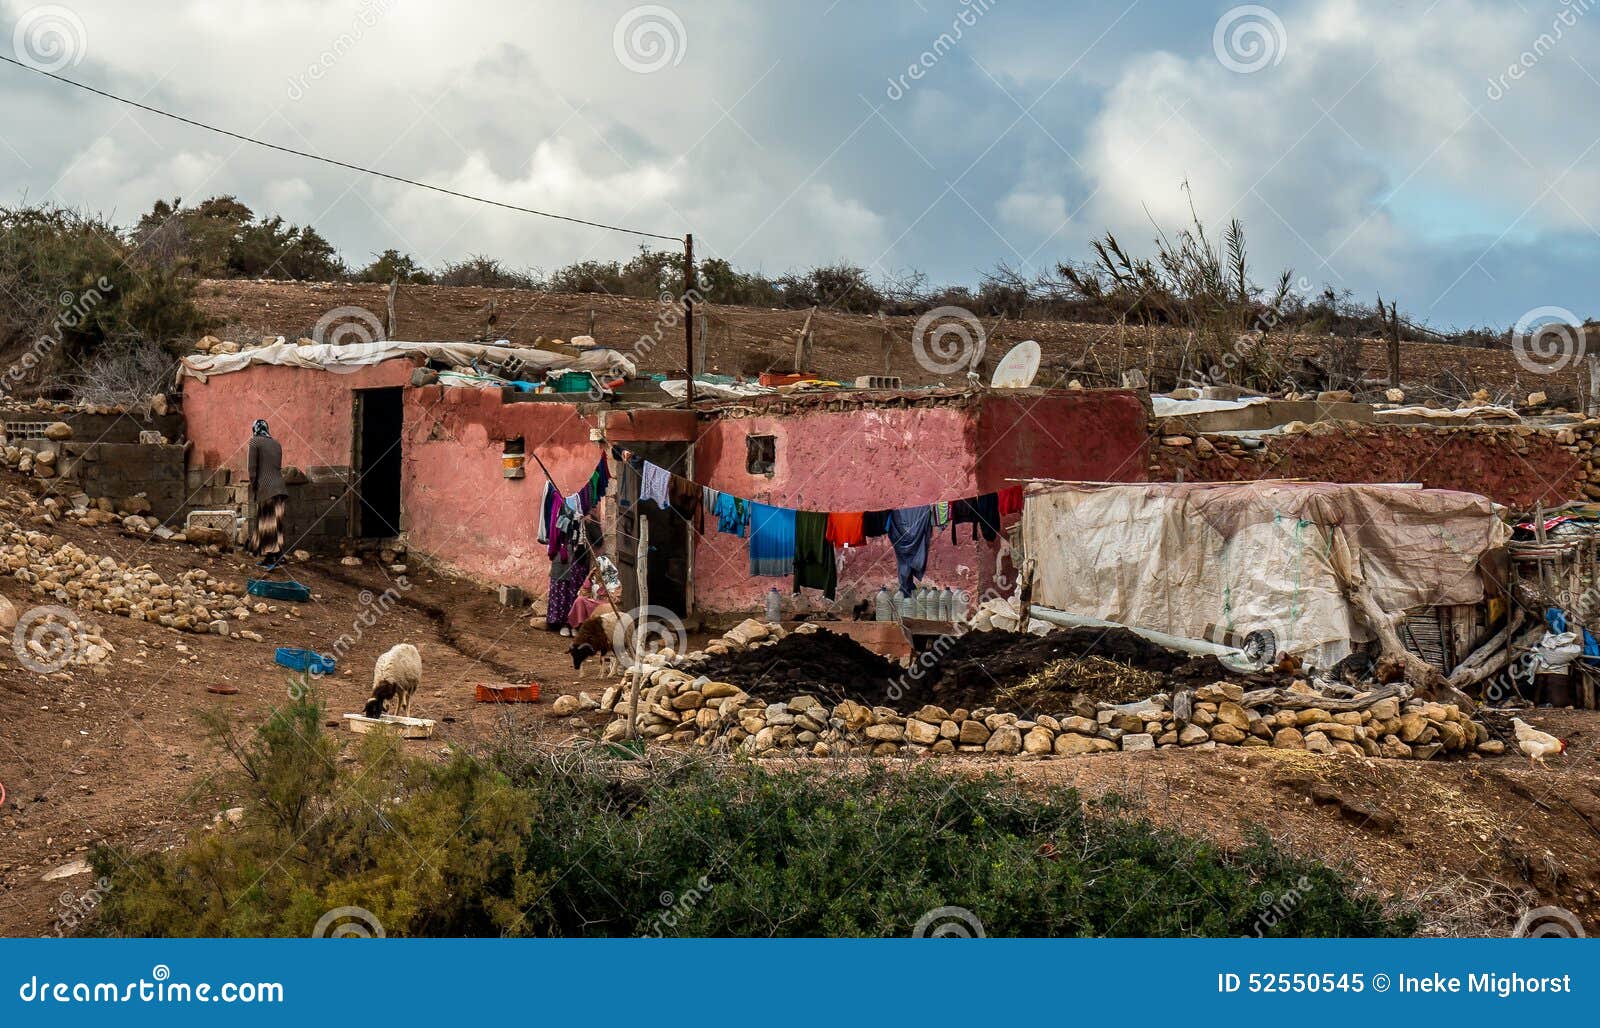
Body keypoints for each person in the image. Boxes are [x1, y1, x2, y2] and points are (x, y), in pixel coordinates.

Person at [548, 507, 601, 636]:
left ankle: (574, 625)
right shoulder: (560, 515)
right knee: (562, 592)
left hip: (579, 564)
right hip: (562, 562)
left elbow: (598, 541)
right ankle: (562, 624)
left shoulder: (589, 519)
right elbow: (554, 537)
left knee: (576, 593)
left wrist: (590, 522)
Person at [247, 419, 288, 566]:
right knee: (277, 522)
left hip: (266, 487)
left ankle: (273, 557)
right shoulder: (276, 444)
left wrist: (254, 486)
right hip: (281, 488)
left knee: (267, 522)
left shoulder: (254, 442)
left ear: (254, 429)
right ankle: (277, 556)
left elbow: (252, 468)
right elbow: (276, 466)